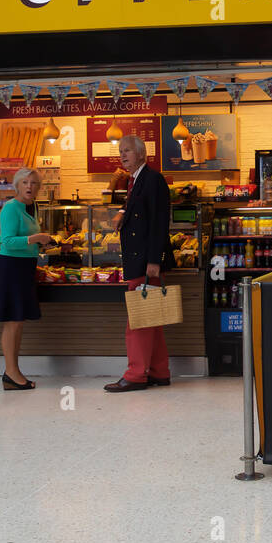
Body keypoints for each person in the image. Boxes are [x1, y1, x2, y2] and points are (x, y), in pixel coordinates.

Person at [105, 134, 173, 392]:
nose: (122, 155)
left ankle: (135, 375)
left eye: (128, 151)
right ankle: (159, 371)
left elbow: (158, 221)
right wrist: (123, 213)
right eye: (121, 151)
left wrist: (154, 260)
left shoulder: (152, 179)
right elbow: (139, 210)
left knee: (139, 321)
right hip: (140, 258)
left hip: (145, 261)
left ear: (142, 154)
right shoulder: (136, 180)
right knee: (151, 318)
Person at [0, 168, 53, 390]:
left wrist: (41, 242)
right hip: (11, 267)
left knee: (18, 321)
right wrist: (36, 238)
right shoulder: (11, 208)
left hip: (25, 267)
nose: (30, 187)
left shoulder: (32, 206)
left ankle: (13, 371)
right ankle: (10, 372)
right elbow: (6, 242)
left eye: (34, 183)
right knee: (12, 322)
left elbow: (25, 238)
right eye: (25, 182)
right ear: (17, 185)